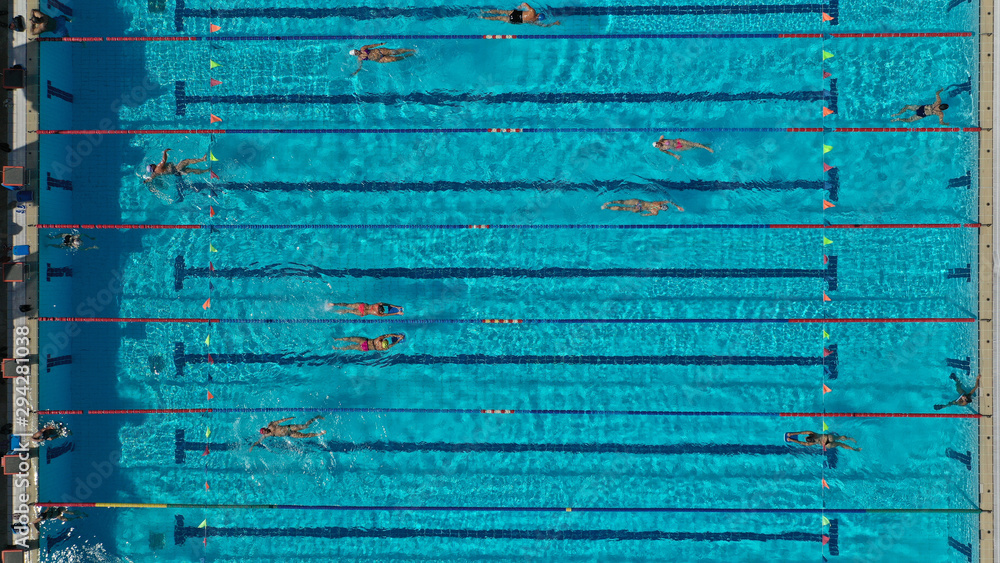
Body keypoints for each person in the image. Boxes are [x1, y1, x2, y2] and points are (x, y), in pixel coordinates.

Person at [250, 415, 326, 452]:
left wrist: (289, 418)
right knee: (305, 436)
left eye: (265, 430)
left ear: (265, 428)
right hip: (290, 434)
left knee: (305, 426)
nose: (265, 432)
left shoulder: (271, 425)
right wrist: (253, 446)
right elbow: (259, 441)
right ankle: (319, 434)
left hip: (290, 428)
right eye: (264, 433)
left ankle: (317, 417)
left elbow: (280, 421)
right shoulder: (267, 435)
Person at [144, 149, 210, 183]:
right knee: (187, 161)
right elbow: (163, 161)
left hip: (176, 172)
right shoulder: (158, 167)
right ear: (152, 167)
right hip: (177, 168)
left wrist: (145, 181)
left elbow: (150, 178)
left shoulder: (155, 174)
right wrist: (165, 152)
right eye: (151, 165)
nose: (152, 164)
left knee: (192, 170)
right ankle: (203, 159)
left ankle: (207, 170)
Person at [349, 43, 416, 76]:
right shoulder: (360, 58)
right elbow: (360, 66)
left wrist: (381, 44)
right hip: (380, 59)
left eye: (356, 50)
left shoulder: (363, 48)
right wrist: (356, 72)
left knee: (395, 52)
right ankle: (408, 55)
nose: (357, 51)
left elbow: (372, 46)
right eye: (356, 52)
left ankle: (411, 50)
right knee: (394, 59)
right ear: (355, 55)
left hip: (380, 51)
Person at [481, 3, 561, 26]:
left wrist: (519, 7)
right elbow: (545, 26)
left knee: (501, 11)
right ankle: (482, 17)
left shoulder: (532, 11)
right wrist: (555, 23)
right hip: (516, 20)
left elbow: (525, 3)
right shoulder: (534, 22)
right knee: (499, 18)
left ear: (539, 13)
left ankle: (485, 12)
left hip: (516, 13)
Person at [785, 431, 861, 451]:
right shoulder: (813, 433)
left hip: (827, 445)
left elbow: (802, 443)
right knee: (840, 437)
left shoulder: (811, 443)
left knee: (840, 444)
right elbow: (802, 432)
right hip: (828, 437)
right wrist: (792, 434)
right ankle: (850, 439)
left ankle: (854, 449)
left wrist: (791, 439)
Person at [602, 199, 683, 215]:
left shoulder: (658, 203)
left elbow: (669, 201)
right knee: (624, 209)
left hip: (640, 202)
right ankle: (606, 208)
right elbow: (647, 215)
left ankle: (609, 202)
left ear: (662, 205)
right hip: (640, 209)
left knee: (623, 202)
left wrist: (678, 206)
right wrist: (644, 215)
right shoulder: (656, 212)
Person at [333, 334, 405, 352]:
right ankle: (337, 348)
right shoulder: (382, 348)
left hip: (365, 341)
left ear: (383, 341)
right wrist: (398, 340)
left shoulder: (378, 339)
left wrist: (397, 336)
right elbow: (392, 345)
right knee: (350, 347)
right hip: (365, 348)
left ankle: (337, 339)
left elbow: (388, 335)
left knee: (351, 339)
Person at [326, 302, 404, 316]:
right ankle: (333, 311)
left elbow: (387, 304)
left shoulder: (378, 304)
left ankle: (334, 304)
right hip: (362, 313)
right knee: (347, 311)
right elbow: (387, 314)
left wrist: (396, 307)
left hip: (362, 306)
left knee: (348, 305)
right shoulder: (378, 314)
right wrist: (397, 313)